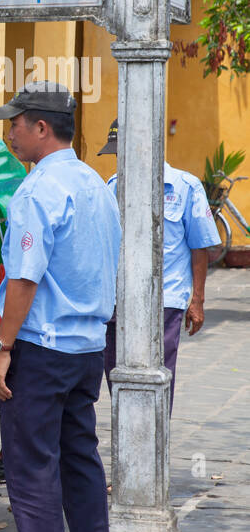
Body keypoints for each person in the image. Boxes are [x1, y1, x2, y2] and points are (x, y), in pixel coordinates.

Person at [0, 83, 121, 532]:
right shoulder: (95, 185)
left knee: (31, 465)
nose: (9, 132)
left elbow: (23, 280)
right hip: (87, 348)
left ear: (41, 128)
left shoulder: (38, 190)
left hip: (41, 346)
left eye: (14, 122)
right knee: (80, 461)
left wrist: (1, 347)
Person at [98, 118, 220, 412]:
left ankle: (154, 436)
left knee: (157, 375)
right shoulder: (113, 185)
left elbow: (199, 246)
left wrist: (198, 300)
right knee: (116, 376)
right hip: (117, 300)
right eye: (117, 153)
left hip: (164, 300)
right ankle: (126, 434)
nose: (121, 160)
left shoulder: (185, 186)